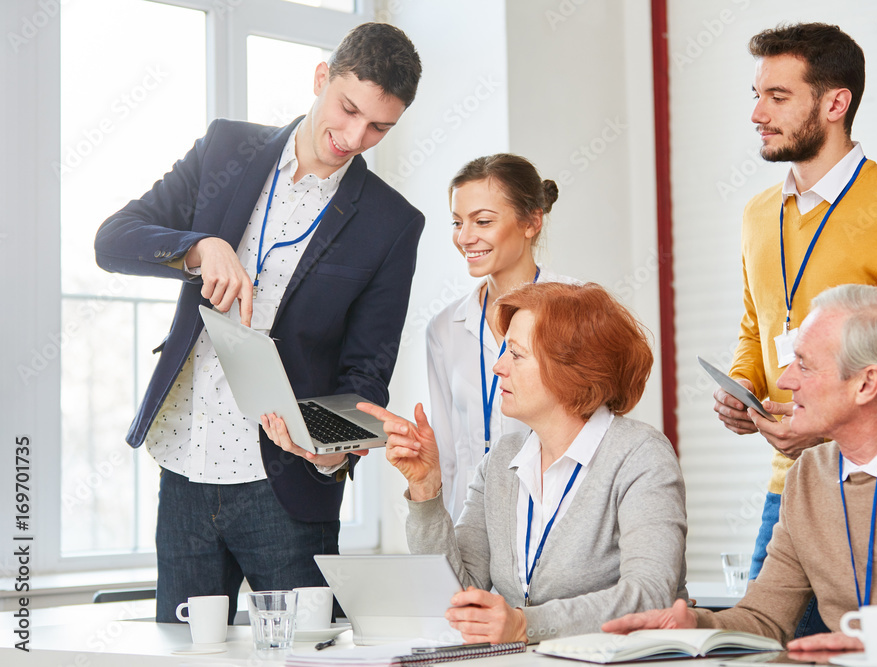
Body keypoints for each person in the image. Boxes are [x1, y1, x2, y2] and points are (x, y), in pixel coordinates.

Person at [94, 23, 423, 623]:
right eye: (348, 110)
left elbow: (367, 375)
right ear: (322, 78)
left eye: (379, 127)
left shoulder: (392, 223)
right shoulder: (226, 149)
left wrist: (325, 449)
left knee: (308, 660)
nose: (355, 137)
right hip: (185, 469)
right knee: (187, 659)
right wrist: (199, 248)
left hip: (289, 489)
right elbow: (113, 240)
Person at [713, 22, 877, 595]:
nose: (758, 113)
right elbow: (756, 326)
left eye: (778, 97)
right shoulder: (758, 214)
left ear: (836, 103)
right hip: (787, 491)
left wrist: (837, 417)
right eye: (756, 96)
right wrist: (742, 385)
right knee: (764, 652)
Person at [606, 284, 877, 653]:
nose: (784, 380)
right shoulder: (809, 474)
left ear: (866, 384)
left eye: (804, 365)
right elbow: (763, 618)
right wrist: (695, 624)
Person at [354, 282, 688, 643]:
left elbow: (650, 594)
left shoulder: (640, 454)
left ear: (571, 370)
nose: (498, 367)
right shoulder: (502, 459)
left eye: (515, 354)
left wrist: (525, 624)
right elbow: (460, 595)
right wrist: (425, 489)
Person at [428, 154, 577, 520]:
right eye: (457, 222)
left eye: (482, 221)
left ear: (531, 222)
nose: (464, 237)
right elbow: (448, 456)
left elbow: (601, 440)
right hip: (472, 529)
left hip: (554, 524)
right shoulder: (444, 328)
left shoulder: (577, 308)